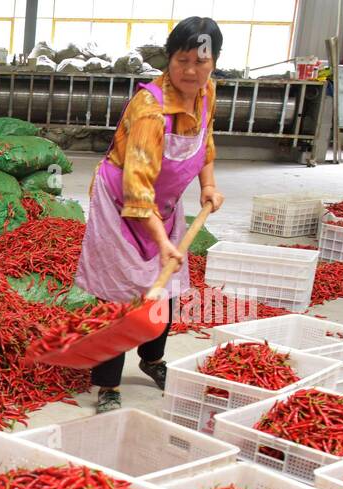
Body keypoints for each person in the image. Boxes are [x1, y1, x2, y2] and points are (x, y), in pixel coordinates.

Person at [75, 16, 226, 413]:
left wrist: (207, 186)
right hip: (122, 204)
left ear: (214, 63)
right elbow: (137, 191)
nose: (191, 71)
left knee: (168, 292)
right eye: (182, 61)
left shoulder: (207, 91)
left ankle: (152, 358)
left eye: (200, 62)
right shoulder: (150, 109)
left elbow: (205, 143)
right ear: (168, 59)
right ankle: (107, 384)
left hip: (164, 205)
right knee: (119, 298)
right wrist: (163, 243)